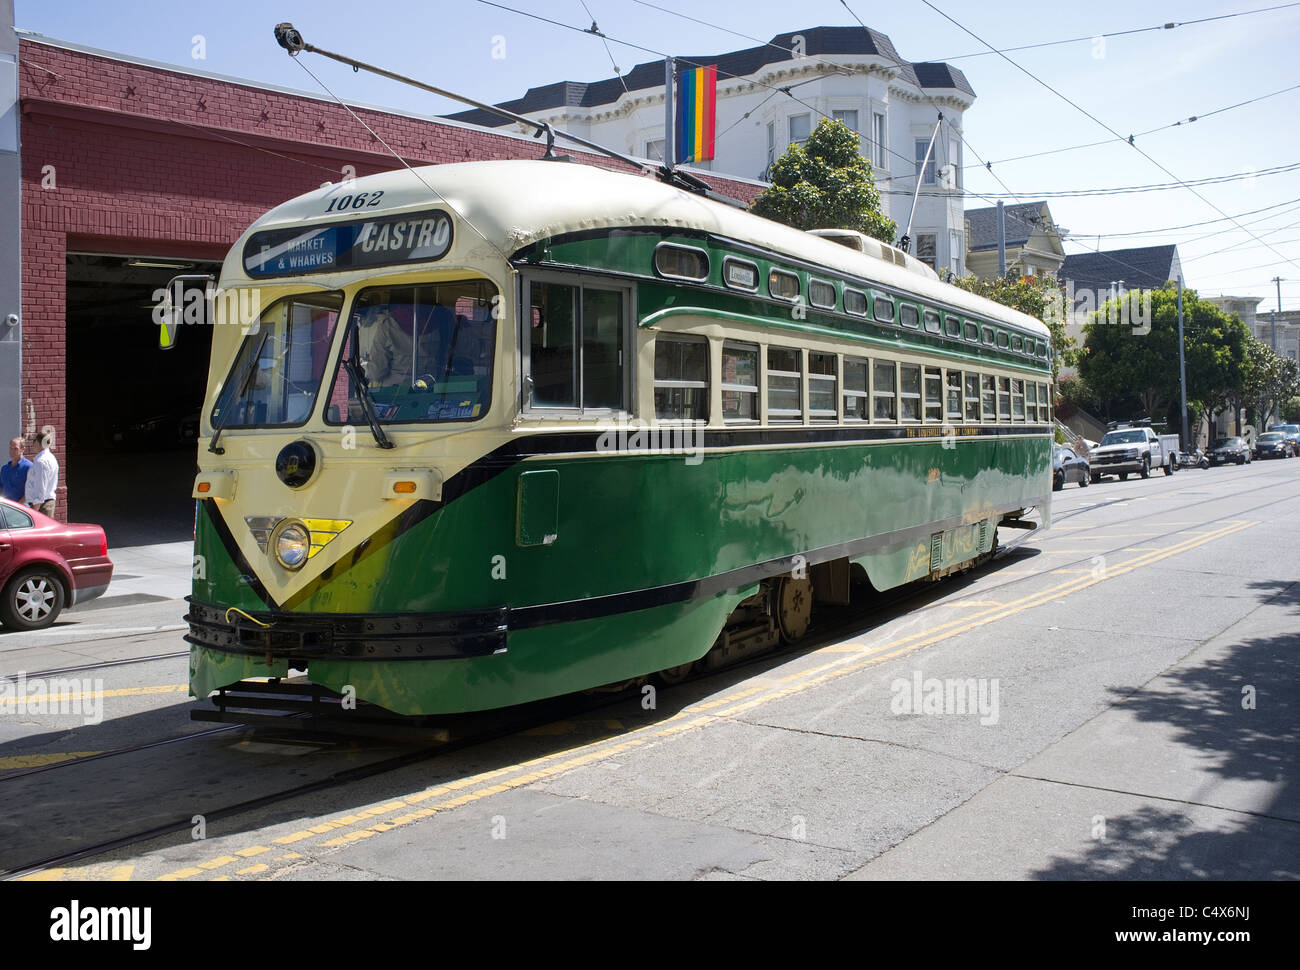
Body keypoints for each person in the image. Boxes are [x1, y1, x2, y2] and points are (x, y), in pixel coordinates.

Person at [25, 431, 58, 518]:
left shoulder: (41, 462)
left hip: (41, 506)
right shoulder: (51, 457)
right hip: (44, 504)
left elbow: (40, 488)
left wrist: (34, 512)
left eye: (34, 441)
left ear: (37, 442)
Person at [1, 436, 31, 503]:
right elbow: (1, 488)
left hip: (22, 510)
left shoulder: (29, 467)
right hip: (6, 509)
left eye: (15, 449)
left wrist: (18, 507)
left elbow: (30, 491)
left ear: (22, 449)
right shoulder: (4, 468)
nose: (12, 451)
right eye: (11, 448)